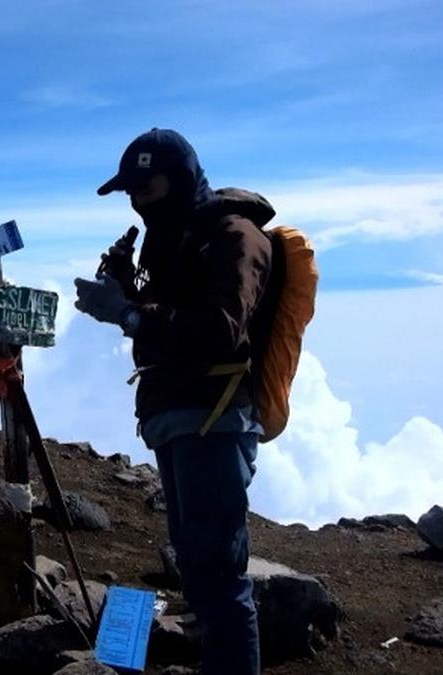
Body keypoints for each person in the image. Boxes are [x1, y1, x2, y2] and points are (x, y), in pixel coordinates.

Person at [73, 128, 274, 675]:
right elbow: (170, 323)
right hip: (178, 418)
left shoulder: (235, 236)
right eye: (130, 191)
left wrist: (130, 314)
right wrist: (125, 293)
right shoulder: (175, 241)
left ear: (181, 179)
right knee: (199, 570)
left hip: (215, 418)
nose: (138, 200)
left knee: (218, 576)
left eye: (147, 185)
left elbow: (222, 329)